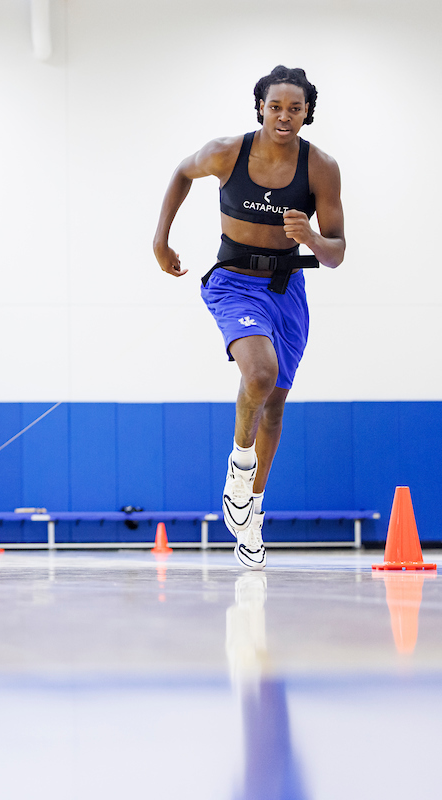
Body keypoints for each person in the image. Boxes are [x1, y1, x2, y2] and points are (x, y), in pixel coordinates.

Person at [153, 66, 345, 570]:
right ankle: (239, 467)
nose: (284, 116)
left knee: (276, 405)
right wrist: (160, 240)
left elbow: (337, 253)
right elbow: (180, 173)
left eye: (295, 108)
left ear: (307, 113)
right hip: (235, 282)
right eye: (276, 106)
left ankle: (253, 511)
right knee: (259, 372)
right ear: (260, 106)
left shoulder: (321, 167)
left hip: (287, 289)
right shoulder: (226, 152)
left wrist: (312, 238)